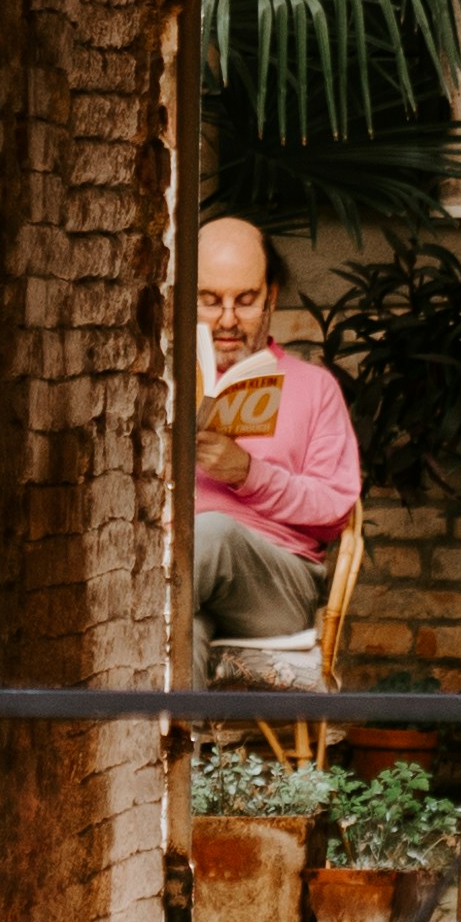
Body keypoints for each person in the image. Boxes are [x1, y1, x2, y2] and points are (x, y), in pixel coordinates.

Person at [190, 215, 361, 663]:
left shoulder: (315, 387)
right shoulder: (160, 383)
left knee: (211, 532)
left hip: (277, 586)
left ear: (272, 296)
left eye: (245, 301)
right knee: (182, 634)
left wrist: (248, 474)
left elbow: (334, 508)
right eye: (210, 301)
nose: (228, 320)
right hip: (184, 577)